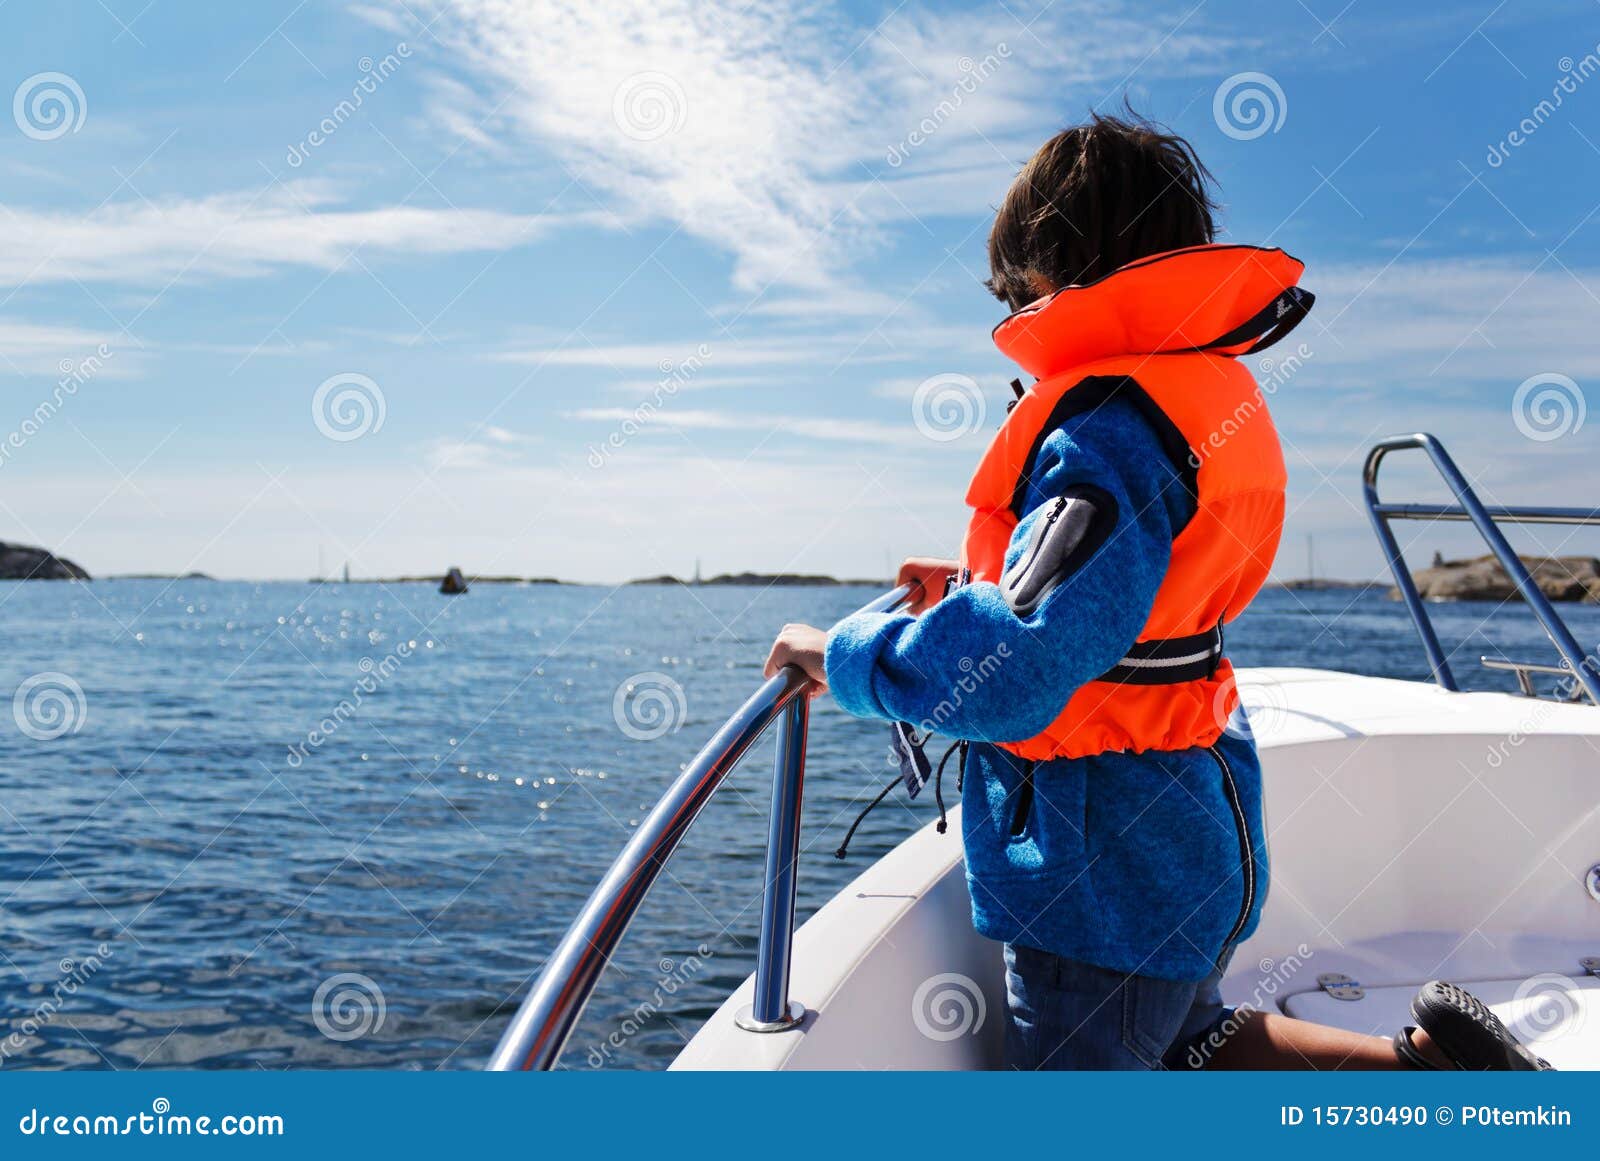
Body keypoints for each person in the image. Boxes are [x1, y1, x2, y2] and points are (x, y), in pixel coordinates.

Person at [763, 112, 1549, 1072]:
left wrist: (840, 654)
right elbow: (1109, 588)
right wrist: (982, 576)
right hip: (1186, 829)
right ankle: (1435, 1077)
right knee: (1188, 1041)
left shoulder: (1105, 428)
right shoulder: (1186, 392)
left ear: (1049, 275)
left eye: (1012, 290)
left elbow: (1019, 658)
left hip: (1100, 879)